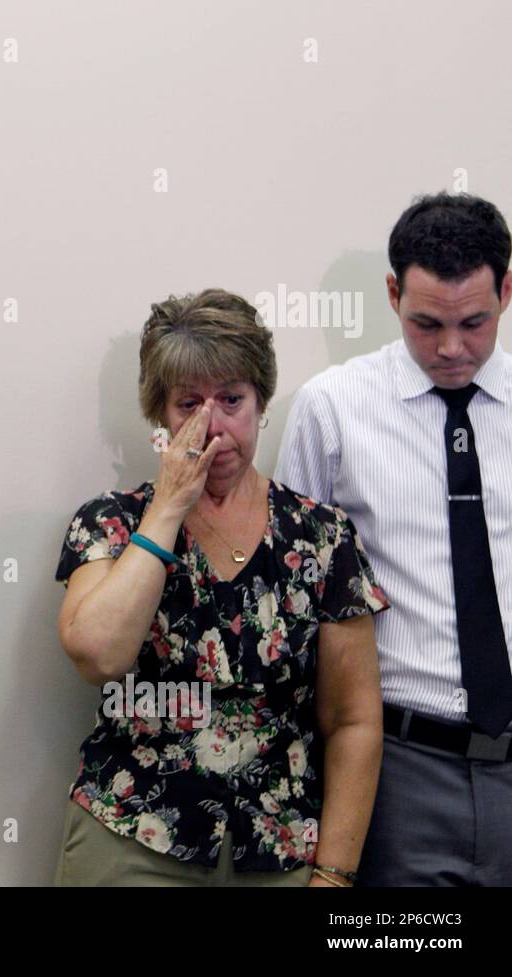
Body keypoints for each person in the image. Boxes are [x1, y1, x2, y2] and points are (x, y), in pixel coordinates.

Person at [54, 288, 386, 886]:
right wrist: (167, 510)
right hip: (137, 832)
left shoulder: (321, 537)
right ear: (162, 416)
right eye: (189, 405)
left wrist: (334, 875)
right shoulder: (112, 522)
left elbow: (354, 719)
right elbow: (98, 656)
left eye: (232, 400)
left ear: (260, 401)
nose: (214, 426)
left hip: (278, 847)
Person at [277, 192, 512, 886]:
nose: (450, 348)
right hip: (400, 767)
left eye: (475, 322)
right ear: (391, 293)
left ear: (507, 289)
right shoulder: (333, 409)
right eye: (425, 323)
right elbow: (299, 599)